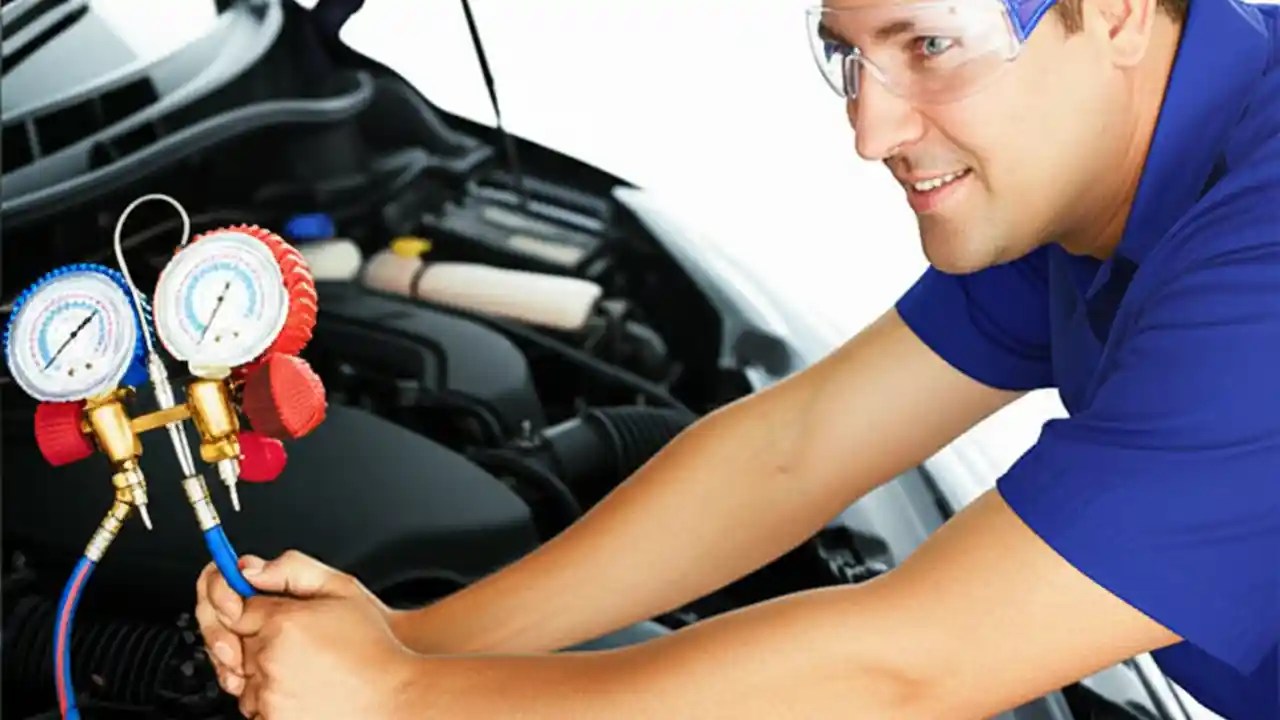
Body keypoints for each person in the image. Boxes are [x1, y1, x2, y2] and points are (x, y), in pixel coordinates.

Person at [196, 0, 1280, 717]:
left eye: (927, 46)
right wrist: (415, 642)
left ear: (1118, 13)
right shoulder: (1080, 165)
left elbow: (911, 668)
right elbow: (793, 448)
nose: (870, 132)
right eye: (847, 54)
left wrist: (400, 703)